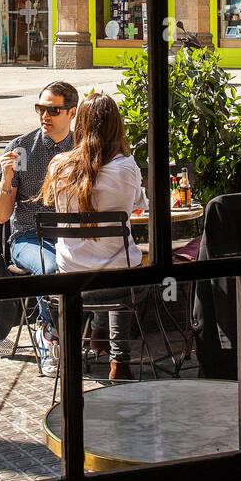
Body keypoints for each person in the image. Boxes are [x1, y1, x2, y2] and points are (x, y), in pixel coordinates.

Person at [39, 91, 144, 382]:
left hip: (72, 281)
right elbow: (139, 202)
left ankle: (89, 341)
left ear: (80, 124)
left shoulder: (59, 165)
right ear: (116, 126)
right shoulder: (127, 167)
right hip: (117, 284)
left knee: (101, 260)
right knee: (119, 265)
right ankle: (119, 361)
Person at [0, 81, 78, 367]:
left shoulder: (81, 148)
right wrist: (6, 179)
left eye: (53, 110)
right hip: (28, 237)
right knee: (50, 267)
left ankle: (99, 339)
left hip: (72, 236)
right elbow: (1, 216)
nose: (45, 116)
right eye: (40, 108)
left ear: (72, 112)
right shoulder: (22, 149)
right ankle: (49, 335)